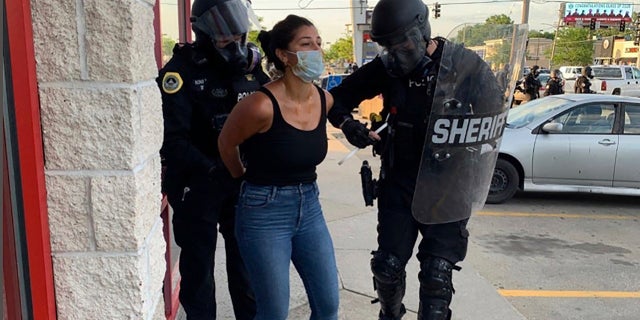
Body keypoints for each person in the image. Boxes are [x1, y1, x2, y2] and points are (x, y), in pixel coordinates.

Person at [327, 0, 502, 319]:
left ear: (422, 29)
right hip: (400, 181)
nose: (396, 51)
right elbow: (336, 98)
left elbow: (495, 115)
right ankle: (389, 315)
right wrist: (348, 124)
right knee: (386, 267)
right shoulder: (388, 67)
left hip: (449, 185)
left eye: (402, 41)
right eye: (387, 45)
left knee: (437, 276)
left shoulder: (466, 65)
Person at [217, 14, 340, 320]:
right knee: (273, 312)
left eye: (318, 43)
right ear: (285, 55)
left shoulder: (324, 100)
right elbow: (226, 144)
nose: (316, 51)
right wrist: (240, 178)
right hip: (263, 211)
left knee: (328, 307)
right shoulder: (260, 105)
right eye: (305, 44)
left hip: (309, 206)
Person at [157, 0, 270, 318]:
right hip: (198, 186)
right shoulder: (180, 73)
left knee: (247, 271)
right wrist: (212, 167)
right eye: (225, 38)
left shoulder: (251, 71)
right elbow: (172, 142)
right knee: (198, 276)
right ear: (204, 34)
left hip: (241, 184)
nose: (235, 44)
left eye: (239, 35)